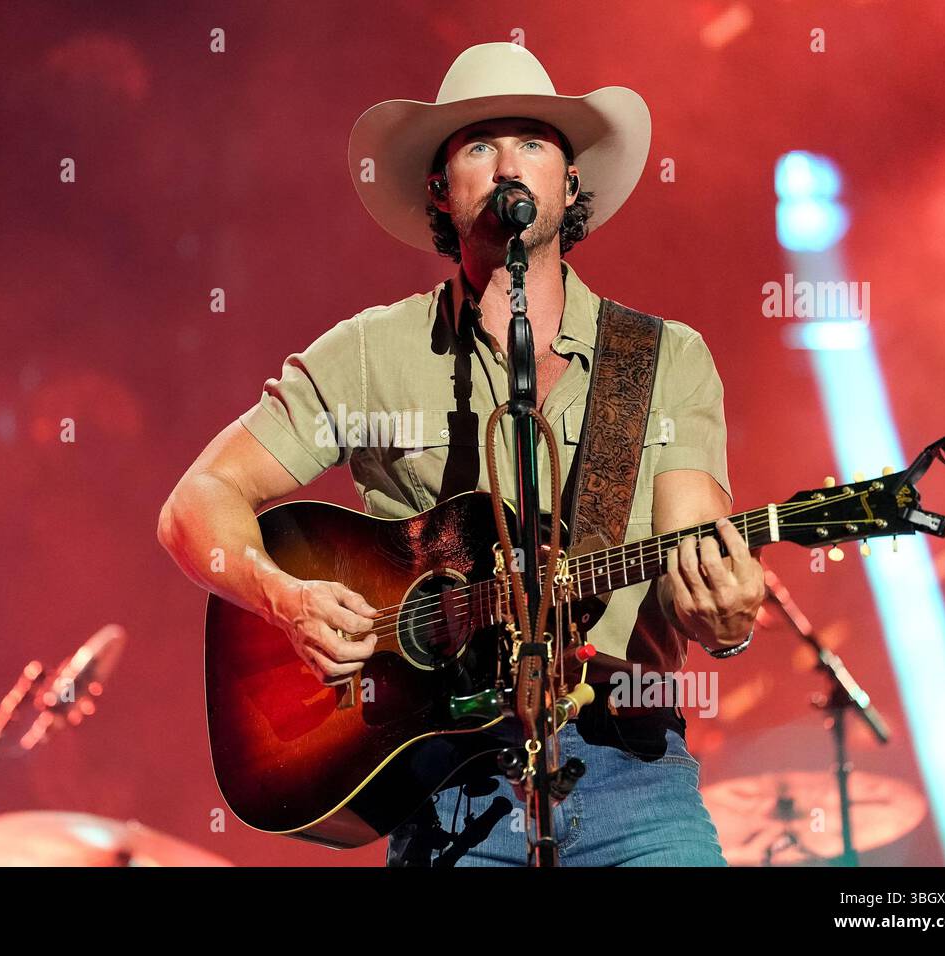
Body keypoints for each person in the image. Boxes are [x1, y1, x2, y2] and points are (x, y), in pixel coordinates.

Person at [158, 42, 764, 866]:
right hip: (441, 791)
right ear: (442, 190)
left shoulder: (666, 358)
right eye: (479, 145)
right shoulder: (372, 353)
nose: (509, 163)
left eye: (534, 142)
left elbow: (694, 552)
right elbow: (197, 503)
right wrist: (283, 598)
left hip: (630, 771)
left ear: (570, 182)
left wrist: (722, 619)